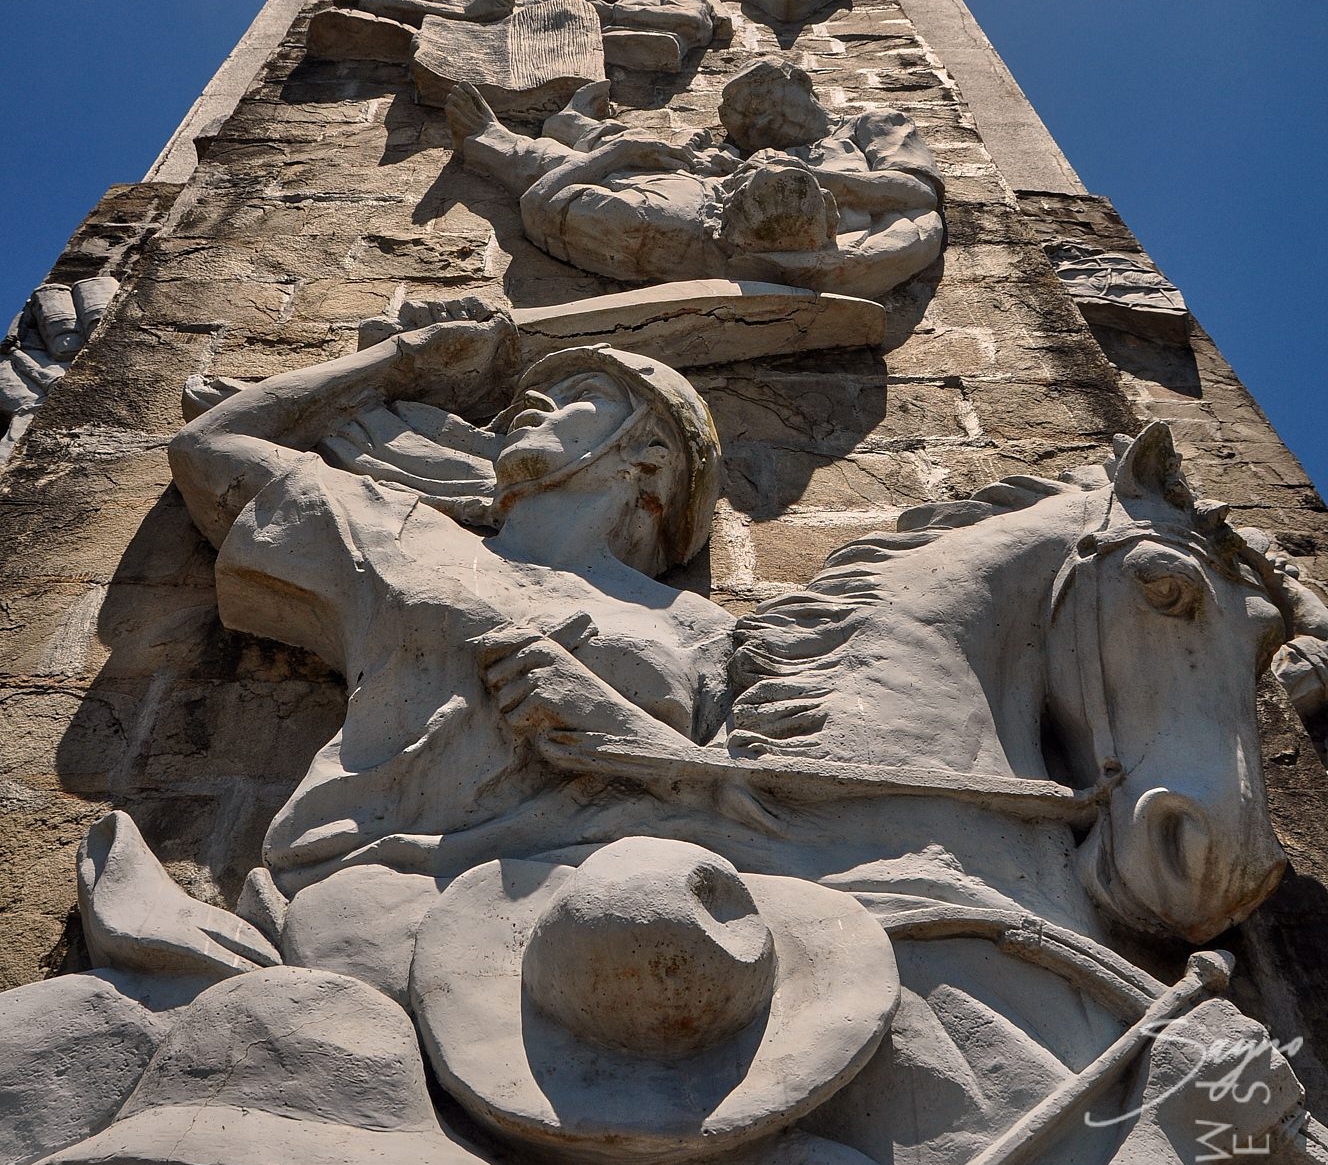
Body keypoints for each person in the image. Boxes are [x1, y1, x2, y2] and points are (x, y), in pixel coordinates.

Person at [168, 300, 733, 898]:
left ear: (652, 455)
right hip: (378, 885)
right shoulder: (399, 532)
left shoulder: (700, 628)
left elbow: (757, 800)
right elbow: (209, 446)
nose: (534, 406)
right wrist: (406, 360)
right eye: (534, 397)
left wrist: (613, 725)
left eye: (581, 394)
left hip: (634, 904)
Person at [444, 57, 944, 300]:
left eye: (768, 101)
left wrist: (803, 178)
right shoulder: (763, 151)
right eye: (750, 119)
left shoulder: (868, 126)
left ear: (802, 85)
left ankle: (545, 136)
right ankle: (562, 129)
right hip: (736, 210)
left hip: (803, 231)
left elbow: (916, 191)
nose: (761, 122)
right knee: (649, 159)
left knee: (629, 191)